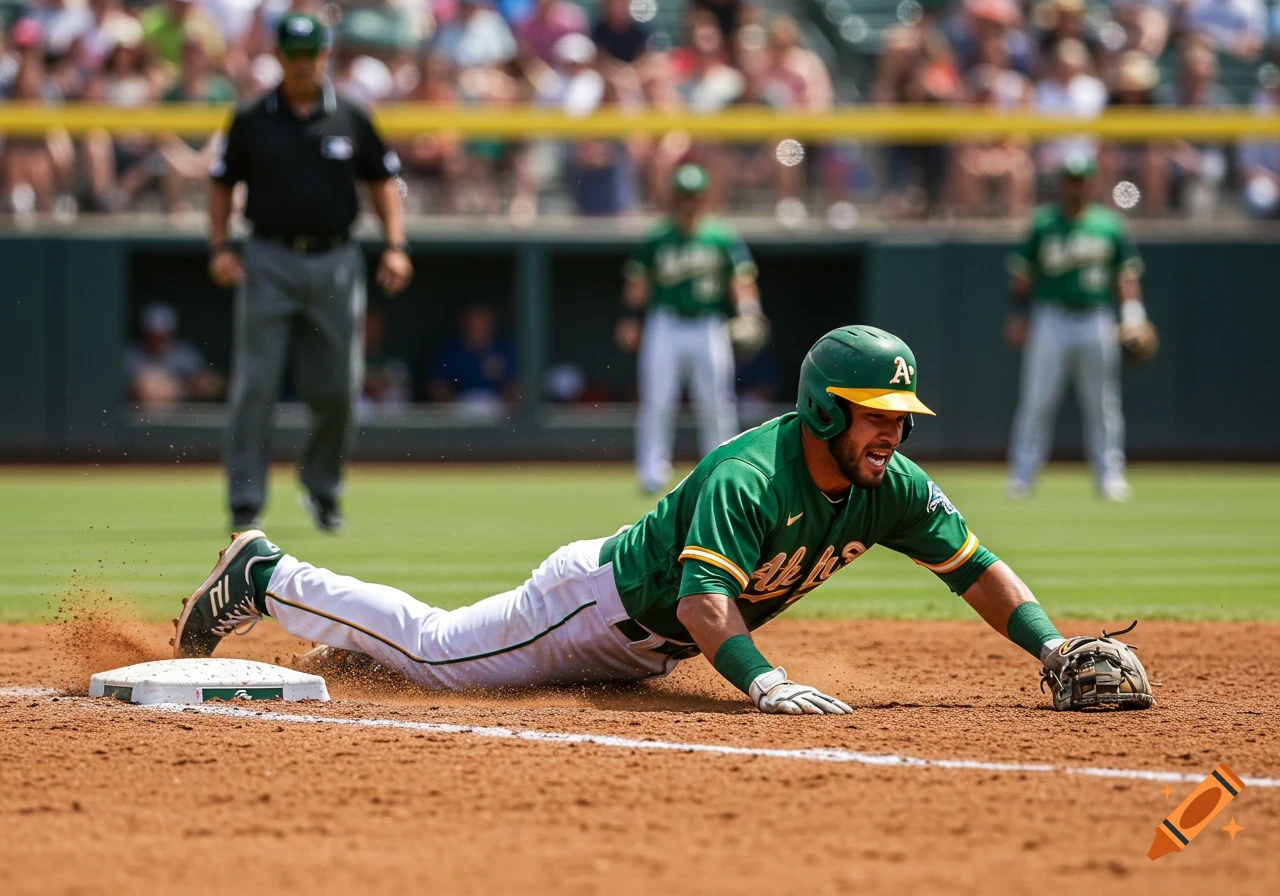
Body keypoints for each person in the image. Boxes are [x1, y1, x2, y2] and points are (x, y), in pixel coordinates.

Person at [172, 325, 1154, 715]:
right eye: (876, 413)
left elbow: (970, 563)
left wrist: (1050, 644)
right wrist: (763, 684)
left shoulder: (885, 478)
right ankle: (263, 573)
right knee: (435, 650)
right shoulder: (746, 476)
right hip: (597, 608)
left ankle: (341, 640)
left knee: (434, 650)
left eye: (899, 417)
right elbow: (702, 600)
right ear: (823, 410)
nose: (892, 433)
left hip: (638, 638)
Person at [208, 13, 413, 533]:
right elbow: (221, 183)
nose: (303, 63)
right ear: (278, 56)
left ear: (327, 55)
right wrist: (219, 246)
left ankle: (323, 490)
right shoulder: (253, 116)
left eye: (312, 53)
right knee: (255, 384)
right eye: (294, 54)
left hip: (335, 258)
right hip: (268, 257)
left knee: (340, 387)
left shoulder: (350, 114)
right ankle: (245, 500)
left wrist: (394, 245)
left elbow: (384, 181)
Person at [1004, 153, 1148, 503]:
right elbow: (1022, 277)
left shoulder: (1109, 224)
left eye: (1082, 178)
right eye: (1070, 178)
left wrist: (1133, 315)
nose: (1076, 185)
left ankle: (1110, 475)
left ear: (1092, 182)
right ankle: (1023, 474)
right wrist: (1018, 316)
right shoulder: (1043, 222)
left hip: (1096, 317)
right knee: (1038, 399)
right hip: (1050, 316)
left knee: (1102, 402)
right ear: (1061, 182)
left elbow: (1125, 275)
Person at [616, 163, 760, 495]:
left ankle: (723, 473)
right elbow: (637, 283)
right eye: (683, 195)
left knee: (716, 404)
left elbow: (742, 279)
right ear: (674, 197)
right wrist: (630, 318)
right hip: (665, 322)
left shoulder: (720, 235)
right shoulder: (658, 236)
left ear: (704, 197)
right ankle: (651, 473)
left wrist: (749, 312)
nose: (688, 202)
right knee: (657, 401)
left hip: (708, 323)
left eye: (693, 195)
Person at [124, 303, 222, 407]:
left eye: (163, 335)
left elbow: (208, 385)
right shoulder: (131, 355)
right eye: (153, 335)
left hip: (178, 416)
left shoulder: (184, 353)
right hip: (138, 417)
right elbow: (135, 390)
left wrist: (178, 388)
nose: (157, 340)